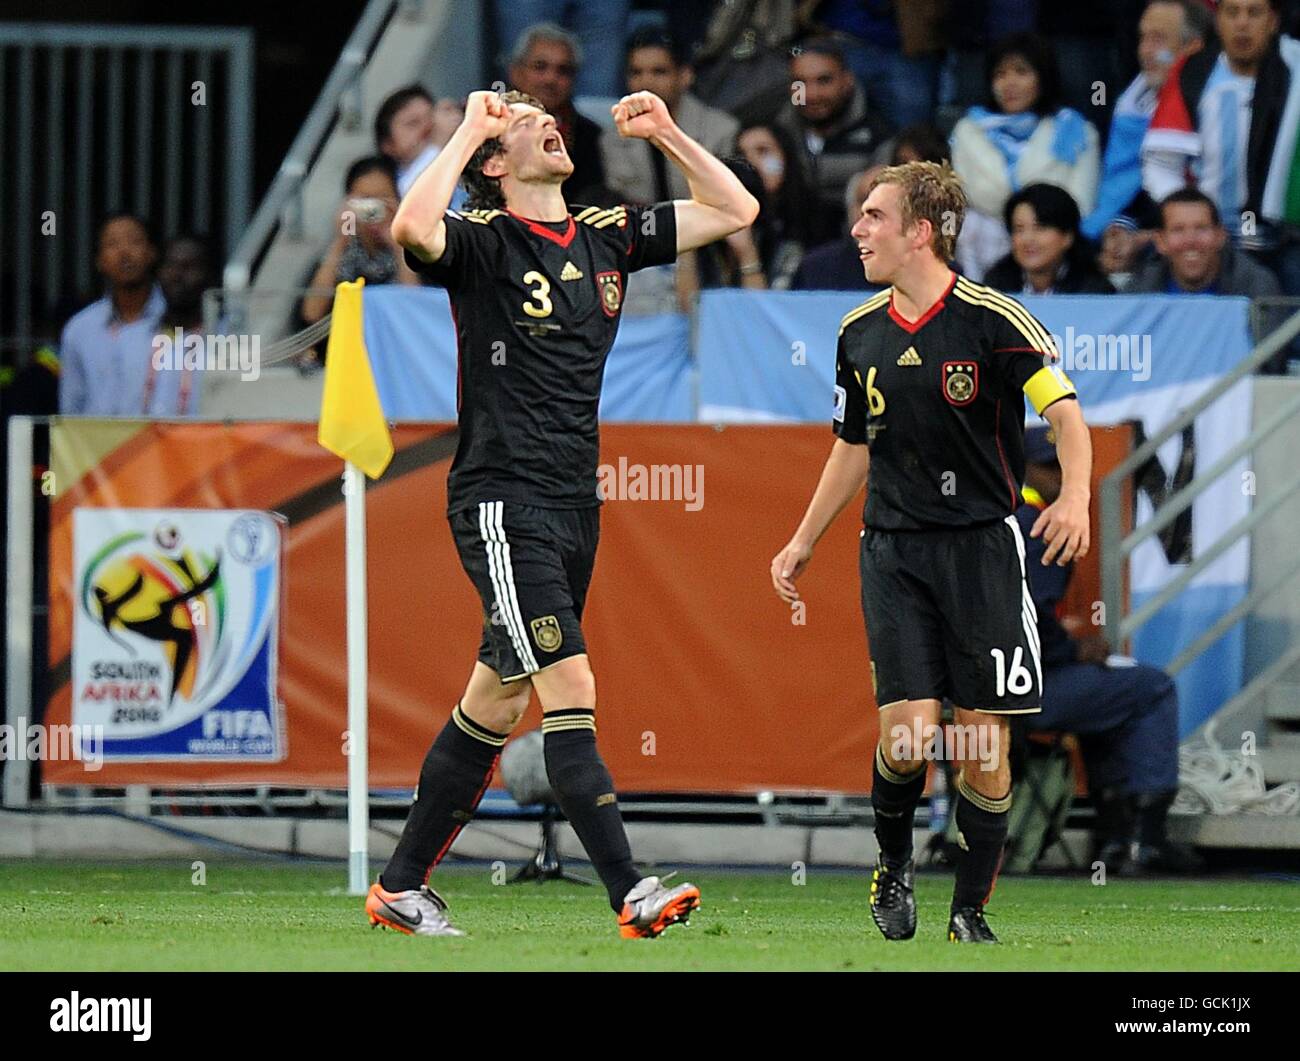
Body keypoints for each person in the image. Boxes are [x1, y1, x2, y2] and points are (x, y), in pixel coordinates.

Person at [369, 88, 758, 938]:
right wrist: (468, 125)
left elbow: (737, 207)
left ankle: (401, 885)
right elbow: (408, 230)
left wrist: (668, 134)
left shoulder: (605, 233)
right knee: (569, 683)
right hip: (503, 502)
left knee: (500, 700)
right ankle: (630, 890)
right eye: (521, 118)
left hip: (575, 503)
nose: (546, 118)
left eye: (544, 112)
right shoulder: (482, 240)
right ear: (497, 164)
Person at [770, 160, 1091, 943]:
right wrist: (804, 538)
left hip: (982, 551)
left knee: (983, 741)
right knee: (909, 734)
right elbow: (853, 445)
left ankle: (969, 910)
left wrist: (1076, 496)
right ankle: (893, 865)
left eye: (874, 216)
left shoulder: (993, 320)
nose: (858, 231)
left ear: (921, 230)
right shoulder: (858, 331)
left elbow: (1069, 415)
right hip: (895, 551)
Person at [1017, 425, 1201, 874]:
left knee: (1109, 701)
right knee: (1150, 687)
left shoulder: (991, 519)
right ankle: (1142, 840)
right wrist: (1072, 649)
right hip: (1024, 689)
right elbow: (1028, 618)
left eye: (1062, 466)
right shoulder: (1041, 524)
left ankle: (1117, 839)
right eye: (1046, 467)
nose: (1058, 477)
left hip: (973, 690)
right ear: (1021, 468)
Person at [1143, 0, 1300, 294]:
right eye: (1232, 13)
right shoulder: (1193, 72)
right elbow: (1162, 163)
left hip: (1288, 241)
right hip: (1211, 244)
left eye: (1254, 13)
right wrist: (1191, 219)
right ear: (1218, 21)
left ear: (1273, 22)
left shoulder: (1297, 72)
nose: (1242, 24)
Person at [950, 32, 1101, 282]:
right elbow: (966, 195)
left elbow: (1081, 203)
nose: (1009, 83)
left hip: (1058, 241)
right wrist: (1016, 227)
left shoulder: (1076, 129)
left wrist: (1036, 228)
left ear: (1043, 77)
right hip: (988, 240)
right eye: (1000, 74)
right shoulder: (967, 131)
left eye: (1021, 72)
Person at [1081, 0, 1210, 241]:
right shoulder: (1132, 106)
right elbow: (1122, 195)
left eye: (1159, 39)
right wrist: (1120, 228)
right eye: (1143, 38)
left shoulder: (1213, 109)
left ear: (1193, 47)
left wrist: (1144, 239)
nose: (1145, 51)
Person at [773, 36, 894, 246]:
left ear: (847, 81)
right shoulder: (775, 132)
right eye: (800, 83)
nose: (811, 94)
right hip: (786, 250)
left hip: (854, 252)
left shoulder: (879, 136)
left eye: (824, 80)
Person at [58, 214, 166, 416]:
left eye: (134, 241)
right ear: (99, 261)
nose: (124, 253)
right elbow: (71, 407)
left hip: (160, 444)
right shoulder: (80, 328)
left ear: (151, 252)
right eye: (112, 244)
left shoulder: (179, 322)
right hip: (97, 445)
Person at [301, 157, 419, 329]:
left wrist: (399, 245)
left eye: (383, 199)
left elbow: (415, 308)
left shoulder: (415, 250)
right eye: (365, 199)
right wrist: (341, 240)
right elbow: (312, 313)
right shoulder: (343, 251)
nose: (373, 210)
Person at [507, 23, 613, 204]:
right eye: (540, 67)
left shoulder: (591, 137)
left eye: (563, 71)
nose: (550, 79)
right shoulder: (491, 127)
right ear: (516, 72)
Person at [1123, 187, 1282, 296]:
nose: (1191, 240)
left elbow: (1273, 344)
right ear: (1160, 242)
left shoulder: (1256, 286)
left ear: (1220, 236)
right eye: (1178, 230)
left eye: (1201, 228)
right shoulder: (1137, 292)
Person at [984, 184, 1115, 295]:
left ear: (1067, 236)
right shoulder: (995, 286)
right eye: (1019, 229)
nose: (1028, 239)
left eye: (1040, 228)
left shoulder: (1094, 291)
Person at [149, 234, 218, 417]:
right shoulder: (134, 337)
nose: (176, 275)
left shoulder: (229, 343)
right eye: (170, 265)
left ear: (210, 276)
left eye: (189, 267)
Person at [737, 123, 812, 289]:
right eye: (741, 154)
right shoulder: (735, 222)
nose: (750, 162)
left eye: (763, 151)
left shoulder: (818, 220)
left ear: (786, 156)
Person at [790, 167, 885, 291]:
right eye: (863, 200)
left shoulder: (917, 272)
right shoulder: (816, 269)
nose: (869, 211)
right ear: (850, 207)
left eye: (882, 205)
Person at [375, 85, 465, 199]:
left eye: (431, 119)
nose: (428, 128)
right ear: (388, 144)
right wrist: (437, 145)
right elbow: (410, 201)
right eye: (413, 123)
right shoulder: (380, 183)